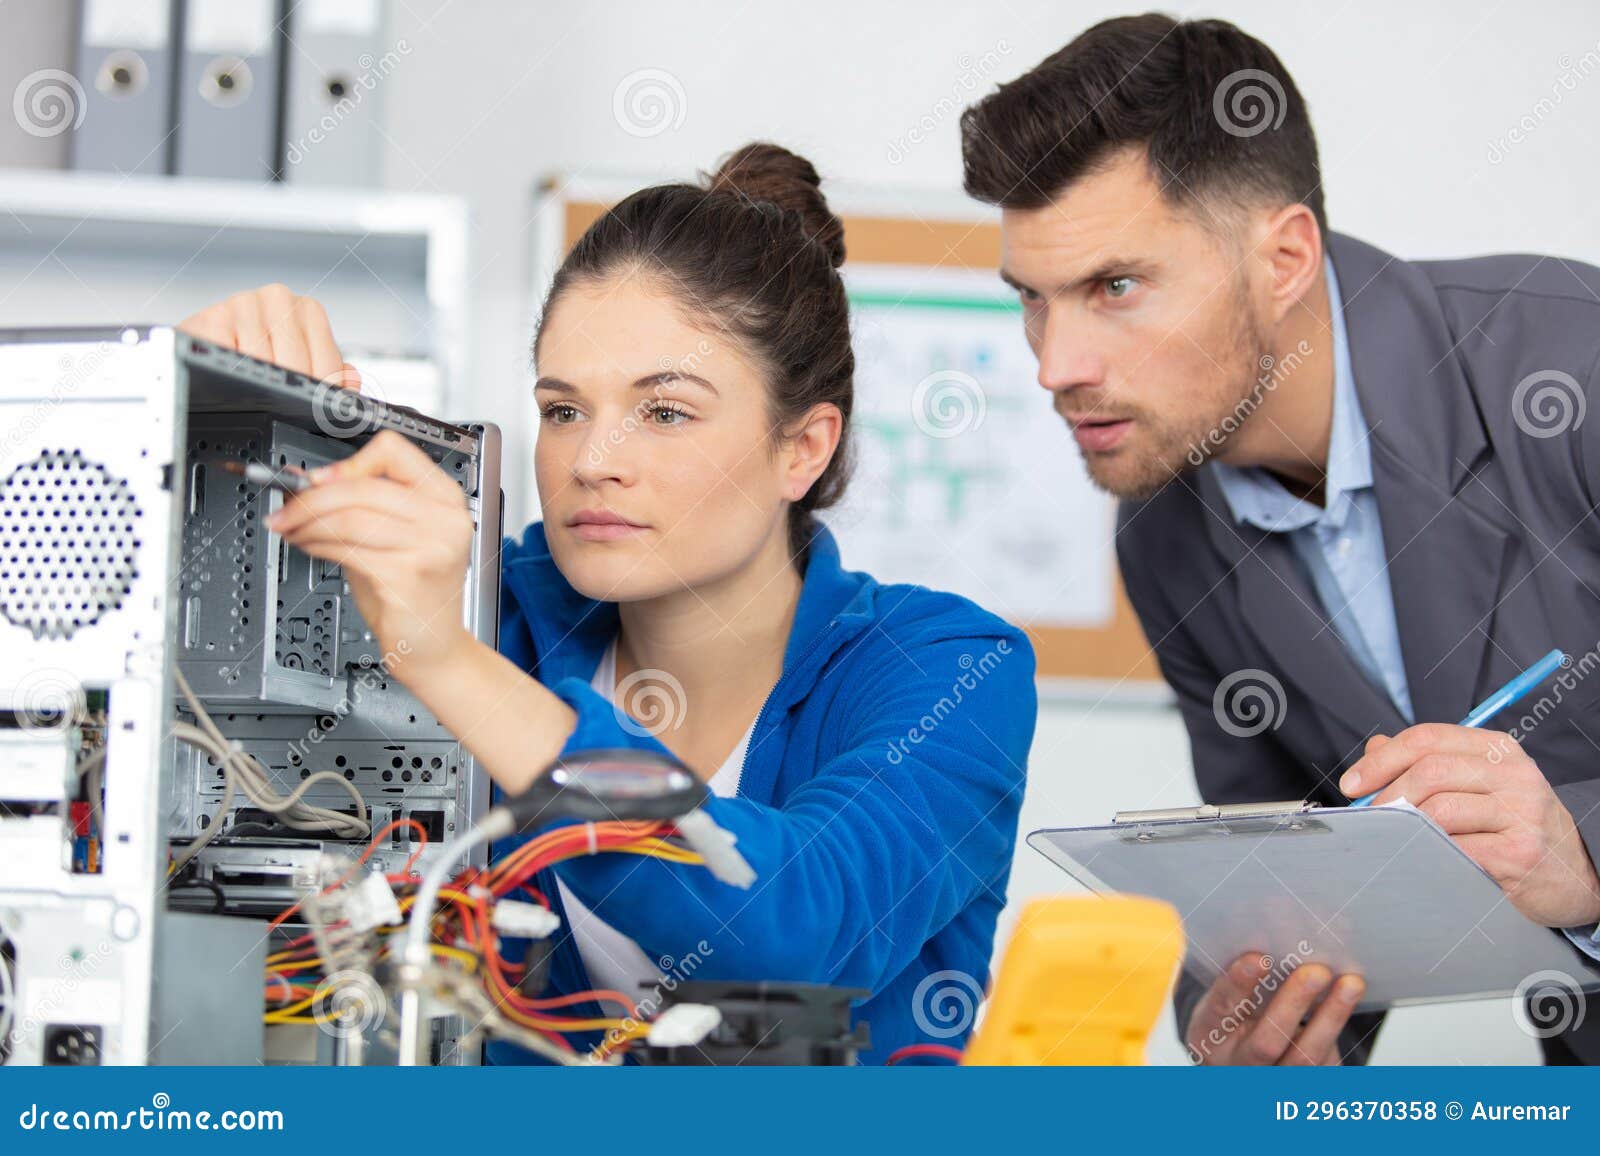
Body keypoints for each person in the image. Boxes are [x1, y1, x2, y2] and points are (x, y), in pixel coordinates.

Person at [180, 142, 1036, 1064]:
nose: (592, 461)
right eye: (563, 410)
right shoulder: (491, 612)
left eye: (664, 412)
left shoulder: (949, 668)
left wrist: (446, 656)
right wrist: (198, 403)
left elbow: (790, 929)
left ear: (805, 448)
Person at [960, 14, 1600, 1065]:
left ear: (1284, 255)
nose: (1053, 364)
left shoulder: (1566, 367)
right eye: (1031, 300)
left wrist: (1581, 853)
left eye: (1113, 287)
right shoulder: (1164, 534)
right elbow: (1291, 876)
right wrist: (1249, 1022)